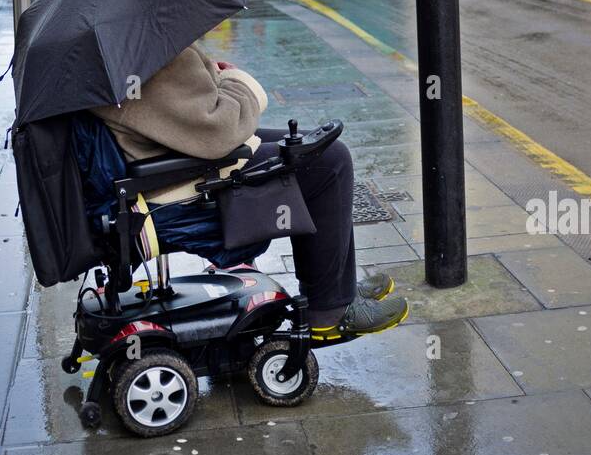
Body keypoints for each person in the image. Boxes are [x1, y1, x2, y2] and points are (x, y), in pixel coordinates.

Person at [92, 44, 408, 341]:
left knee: (313, 145)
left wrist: (208, 78)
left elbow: (178, 110)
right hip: (177, 183)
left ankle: (339, 286)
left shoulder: (114, 52)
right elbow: (219, 127)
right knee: (330, 161)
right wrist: (235, 80)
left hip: (159, 159)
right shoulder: (148, 50)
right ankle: (329, 310)